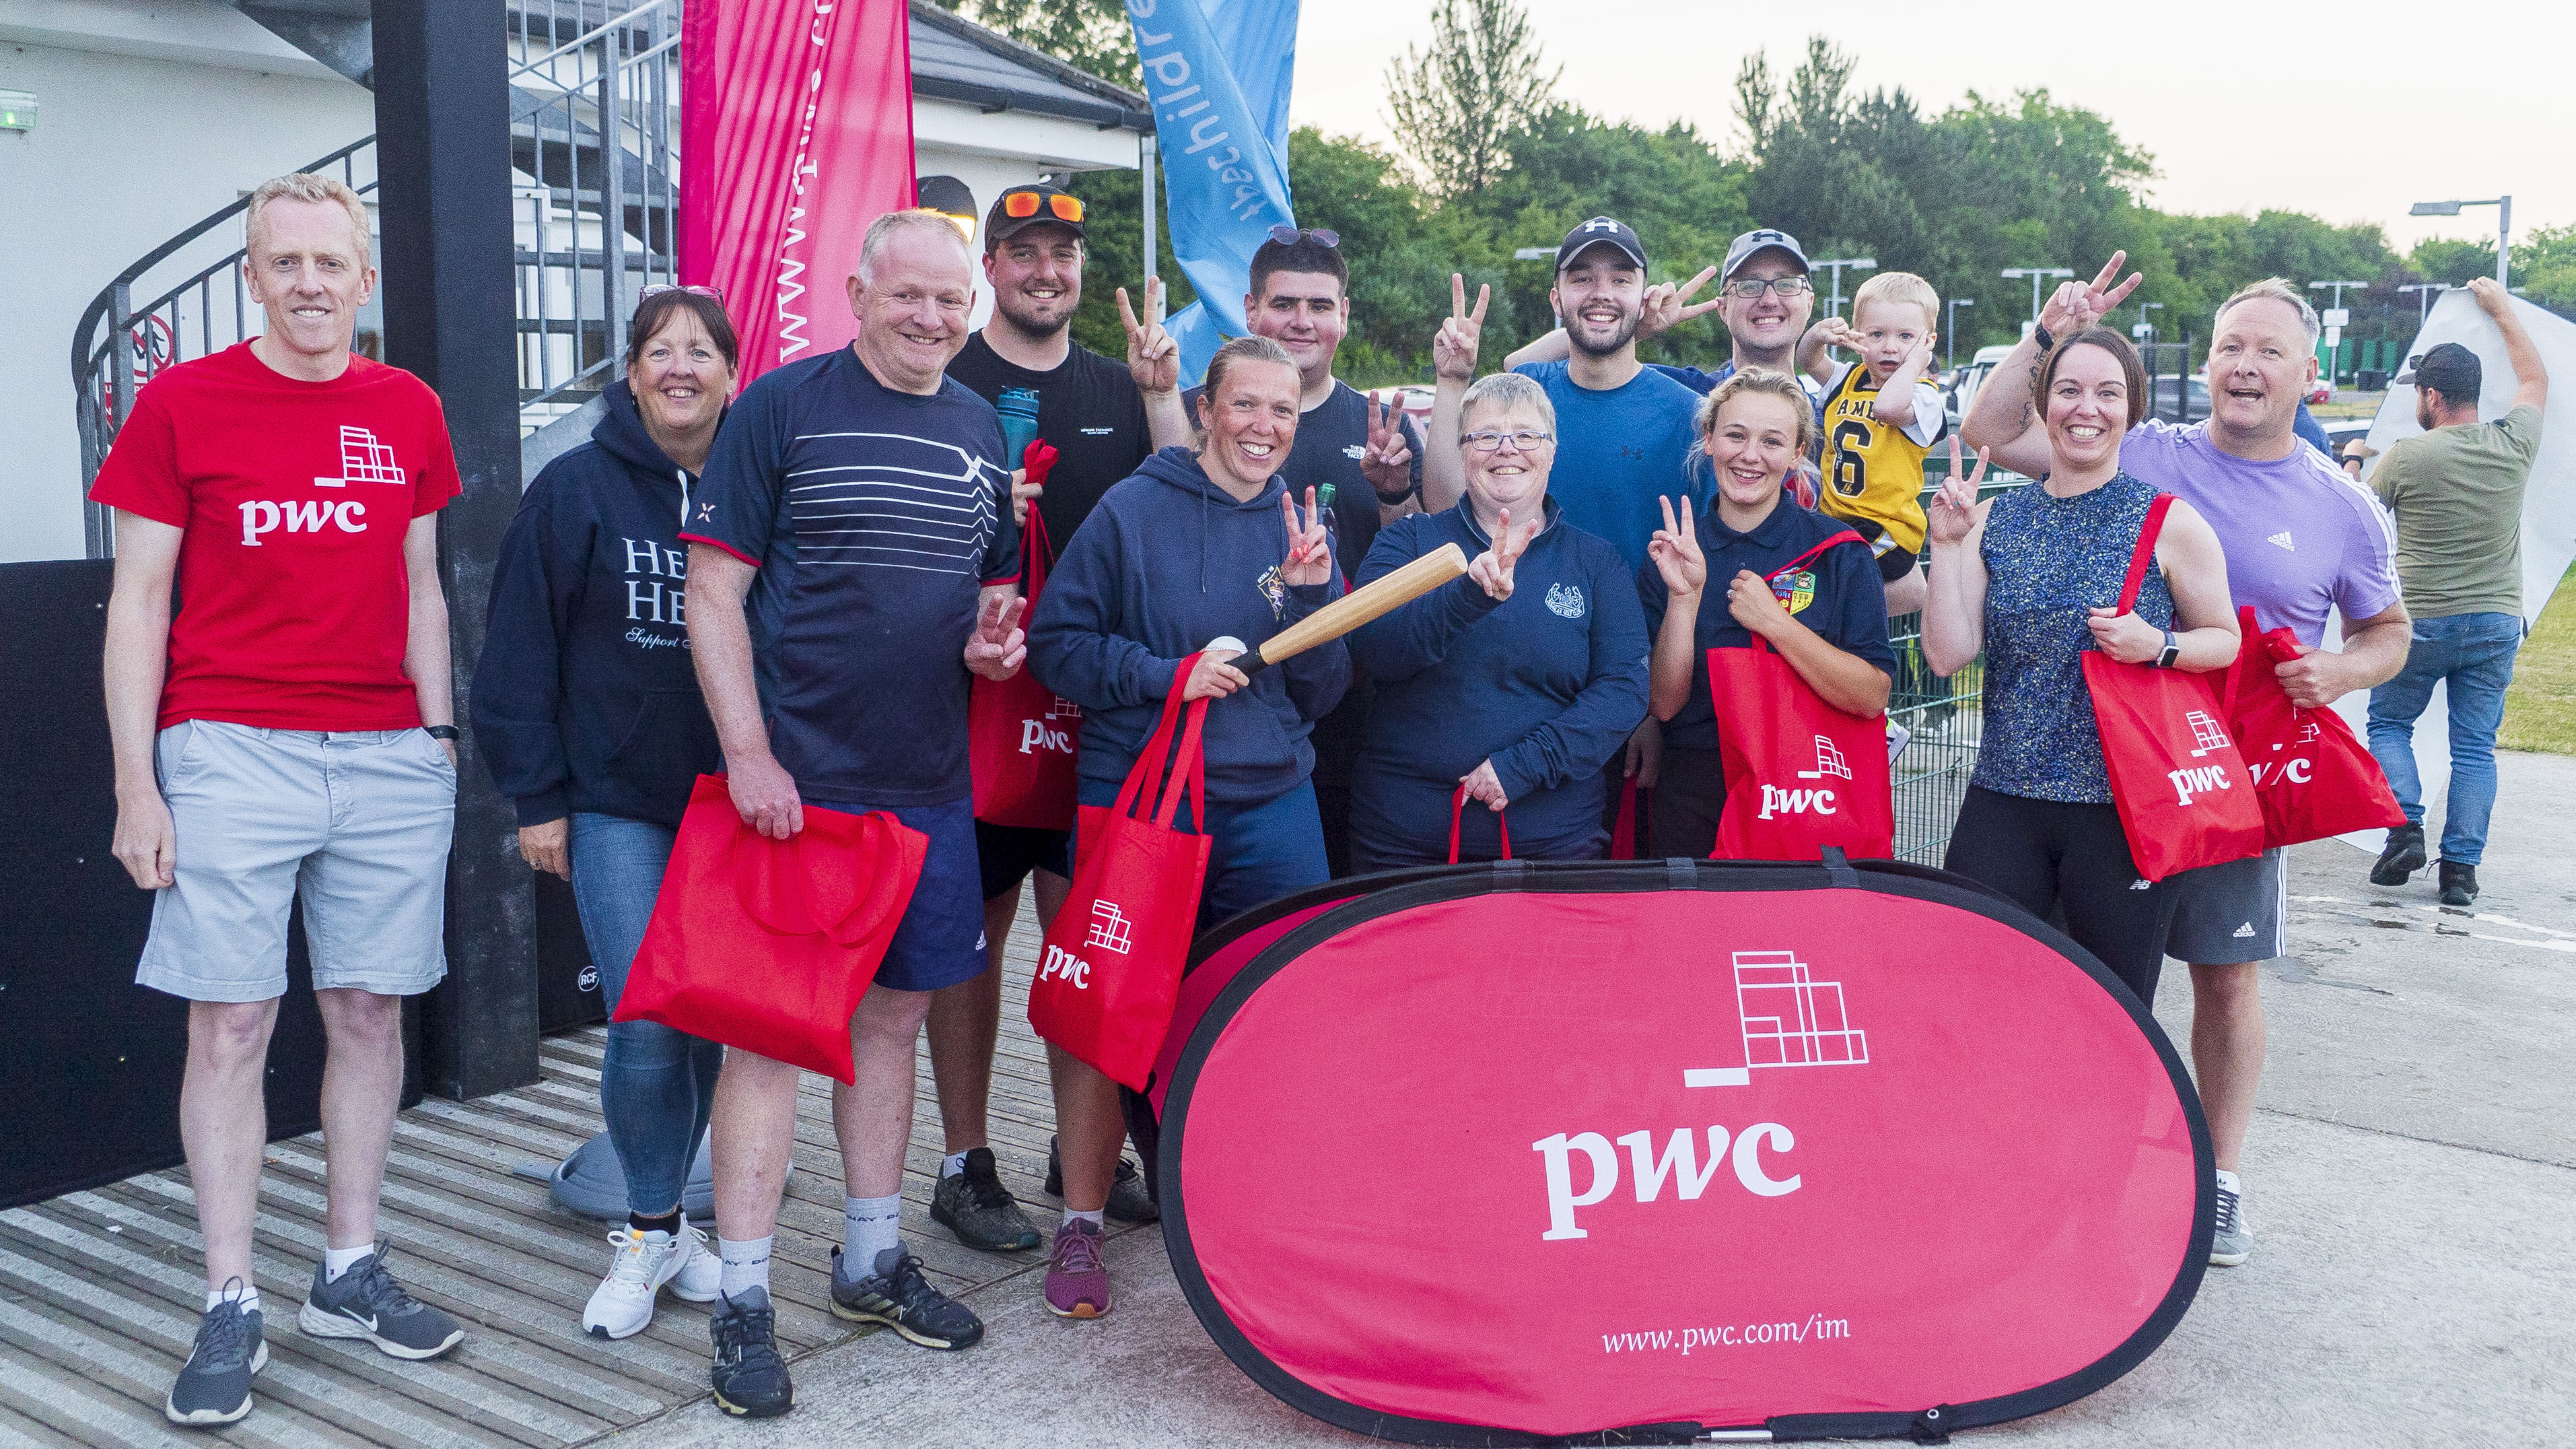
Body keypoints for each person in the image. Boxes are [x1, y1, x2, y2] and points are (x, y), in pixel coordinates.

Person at [92, 172, 466, 1427]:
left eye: (330, 262)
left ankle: (347, 1269)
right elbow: (139, 602)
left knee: (368, 1010)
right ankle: (231, 1294)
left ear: (366, 278)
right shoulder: (182, 403)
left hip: (385, 751)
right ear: (253, 276)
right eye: (285, 262)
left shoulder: (407, 407)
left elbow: (422, 584)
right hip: (228, 749)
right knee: (233, 1026)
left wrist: (437, 735)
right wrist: (137, 780)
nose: (309, 283)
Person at [1961, 265, 2404, 1270]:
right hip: (2106, 774)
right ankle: (2048, 1166)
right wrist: (2047, 332)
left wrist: (2341, 669)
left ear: (2308, 371)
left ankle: (2219, 1178)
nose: (2244, 367)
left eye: (2267, 351)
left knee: (2223, 977)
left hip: (2230, 777)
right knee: (2069, 976)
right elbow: (1990, 430)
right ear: (2203, 364)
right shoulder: (2144, 446)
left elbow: (2388, 630)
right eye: (2228, 347)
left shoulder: (2341, 503)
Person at [678, 210, 1022, 1419]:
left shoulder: (978, 427)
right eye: (907, 294)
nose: (930, 316)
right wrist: (749, 754)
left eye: (949, 299)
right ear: (856, 292)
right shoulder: (781, 408)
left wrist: (991, 650)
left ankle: (870, 1259)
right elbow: (711, 591)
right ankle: (742, 1299)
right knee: (770, 1039)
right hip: (799, 790)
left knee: (893, 1021)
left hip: (926, 787)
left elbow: (986, 602)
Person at [1027, 334, 1350, 1318]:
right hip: (1141, 801)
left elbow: (1324, 690)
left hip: (1270, 803)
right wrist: (1165, 675)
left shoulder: (1301, 525)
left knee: (1281, 1011)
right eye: (1245, 405)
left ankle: (1264, 1211)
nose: (1264, 427)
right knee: (1107, 1015)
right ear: (1205, 410)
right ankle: (1082, 1222)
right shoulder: (1133, 509)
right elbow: (1056, 646)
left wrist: (1311, 597)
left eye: (1282, 411)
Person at [471, 287, 738, 1339]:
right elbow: (516, 652)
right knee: (645, 1015)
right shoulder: (574, 488)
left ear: (731, 375)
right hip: (614, 805)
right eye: (659, 351)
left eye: (701, 352)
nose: (680, 368)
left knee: (710, 1017)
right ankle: (647, 1226)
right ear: (630, 373)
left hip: (729, 808)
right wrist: (538, 798)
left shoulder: (756, 490)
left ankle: (674, 1221)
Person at [930, 182, 1187, 1254]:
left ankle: (1077, 1154)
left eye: (1063, 256)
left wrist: (1162, 395)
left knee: (1083, 940)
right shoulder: (945, 377)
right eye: (1024, 252)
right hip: (972, 709)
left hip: (1096, 714)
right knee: (970, 943)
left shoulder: (1121, 385)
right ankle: (964, 1162)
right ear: (988, 265)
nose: (1047, 271)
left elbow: (1180, 503)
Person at [1924, 329, 2239, 998]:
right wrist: (1945, 549)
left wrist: (2158, 644)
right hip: (2005, 797)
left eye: (2107, 393)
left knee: (2113, 1006)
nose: (2086, 409)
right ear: (2044, 405)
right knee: (1971, 991)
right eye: (2068, 391)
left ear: (2131, 408)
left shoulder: (2169, 521)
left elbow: (2223, 639)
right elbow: (1946, 655)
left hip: (2122, 809)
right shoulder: (1993, 518)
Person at [1428, 217, 1711, 845]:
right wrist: (1452, 382)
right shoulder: (1523, 398)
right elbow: (1446, 504)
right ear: (1556, 297)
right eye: (1582, 278)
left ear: (1643, 295)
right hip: (1512, 691)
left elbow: (1694, 575)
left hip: (1623, 697)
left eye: (1620, 278)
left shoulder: (1686, 417)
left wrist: (1647, 707)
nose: (1601, 292)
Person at [1182, 228, 1422, 877]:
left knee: (1328, 909)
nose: (1301, 321)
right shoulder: (1204, 416)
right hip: (1228, 717)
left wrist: (1394, 492)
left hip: (1350, 717)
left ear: (1344, 315)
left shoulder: (1384, 428)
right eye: (1284, 303)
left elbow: (1418, 565)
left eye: (1319, 306)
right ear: (1250, 308)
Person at [1346, 372, 1648, 867]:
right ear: (1462, 451)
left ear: (1552, 451)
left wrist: (1524, 766)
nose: (1507, 449)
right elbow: (1374, 650)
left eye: (1526, 435)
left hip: (1551, 846)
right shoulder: (1408, 541)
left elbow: (1624, 690)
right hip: (1403, 842)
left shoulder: (1597, 562)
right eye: (1486, 436)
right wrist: (1466, 597)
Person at [1639, 370, 1898, 858]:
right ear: (1709, 439)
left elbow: (1870, 696)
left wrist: (1777, 625)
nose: (1750, 455)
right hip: (1695, 795)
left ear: (1797, 453)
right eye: (1735, 435)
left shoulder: (1839, 553)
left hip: (1802, 791)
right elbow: (1664, 706)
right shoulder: (1675, 553)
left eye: (1772, 441)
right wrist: (1684, 599)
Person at [2366, 277, 2548, 904]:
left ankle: (2404, 830)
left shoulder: (2405, 457)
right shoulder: (2514, 443)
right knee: (2474, 748)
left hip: (2420, 621)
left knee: (2389, 723)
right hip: (2495, 622)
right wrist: (2500, 309)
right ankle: (2460, 874)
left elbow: (2357, 521)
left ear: (2432, 396)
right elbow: (2534, 378)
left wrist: (2353, 462)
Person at [1797, 271, 1944, 615]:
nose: (1890, 346)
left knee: (1830, 580)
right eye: (1876, 334)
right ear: (1857, 335)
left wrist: (1915, 364)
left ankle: (1824, 623)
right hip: (1834, 518)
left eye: (1906, 336)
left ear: (1928, 342)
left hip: (1887, 530)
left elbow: (1887, 408)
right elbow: (1808, 360)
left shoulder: (1924, 396)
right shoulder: (1845, 379)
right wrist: (1817, 336)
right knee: (1795, 571)